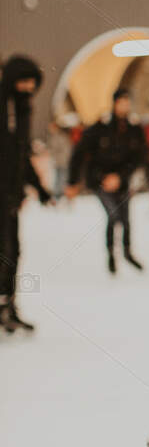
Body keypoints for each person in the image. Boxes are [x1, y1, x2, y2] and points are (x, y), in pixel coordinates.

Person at [67, 88, 147, 273]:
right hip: (100, 180)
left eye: (127, 102)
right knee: (113, 215)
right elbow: (80, 153)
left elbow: (139, 157)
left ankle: (127, 251)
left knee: (125, 218)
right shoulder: (100, 127)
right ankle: (111, 253)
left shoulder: (133, 128)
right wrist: (74, 181)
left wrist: (121, 177)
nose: (124, 106)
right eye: (121, 102)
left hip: (122, 180)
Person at [0, 54, 46, 334]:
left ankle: (8, 305)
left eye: (32, 82)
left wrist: (39, 187)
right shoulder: (5, 107)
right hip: (2, 194)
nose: (29, 87)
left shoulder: (22, 108)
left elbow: (20, 156)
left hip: (11, 198)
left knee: (13, 251)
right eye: (24, 81)